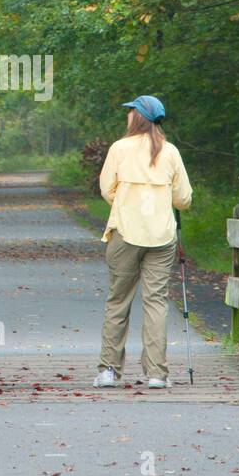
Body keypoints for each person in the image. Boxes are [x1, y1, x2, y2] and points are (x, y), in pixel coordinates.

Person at [93, 95, 193, 389]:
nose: (128, 115)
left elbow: (106, 189)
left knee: (118, 300)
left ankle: (109, 371)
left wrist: (125, 202)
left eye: (131, 111)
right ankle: (157, 374)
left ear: (137, 117)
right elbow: (183, 199)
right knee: (156, 303)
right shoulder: (171, 152)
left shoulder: (119, 149)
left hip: (125, 233)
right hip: (162, 237)